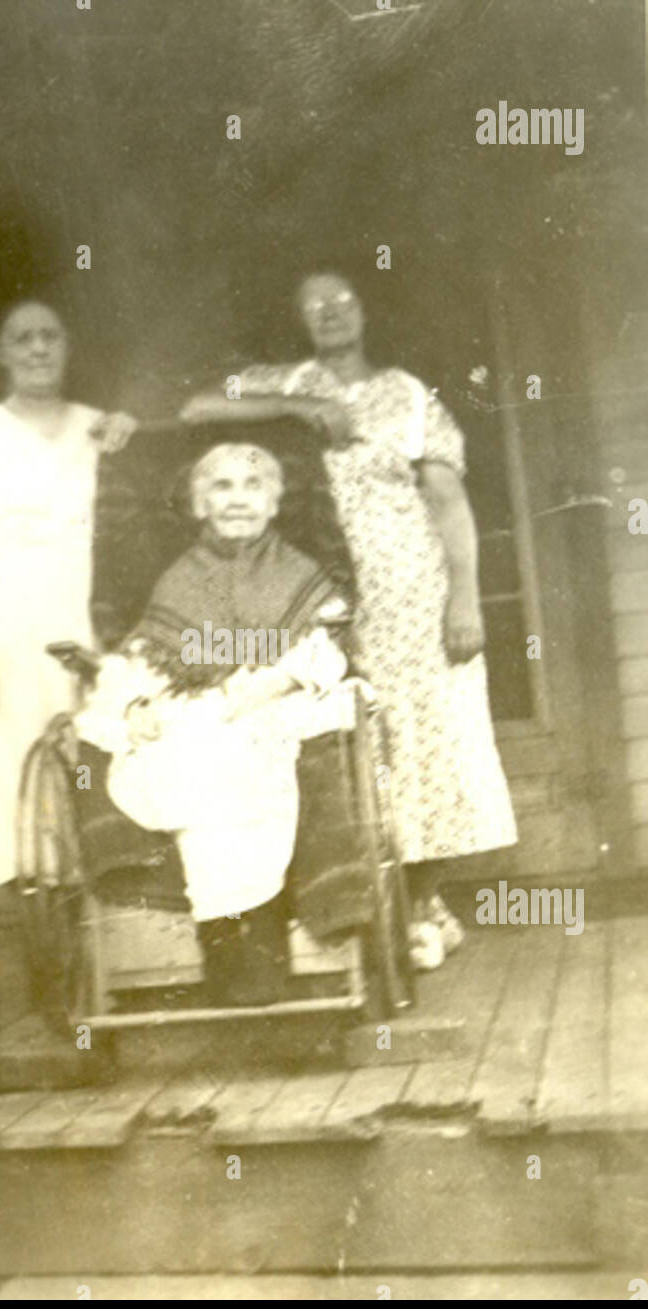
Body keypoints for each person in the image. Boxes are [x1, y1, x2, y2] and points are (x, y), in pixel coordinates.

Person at [180, 272, 517, 970]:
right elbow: (196, 406)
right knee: (349, 744)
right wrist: (295, 406)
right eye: (315, 305)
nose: (330, 313)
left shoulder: (409, 395)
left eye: (342, 301)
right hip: (318, 596)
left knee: (428, 746)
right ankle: (374, 914)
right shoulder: (284, 382)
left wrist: (464, 599)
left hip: (413, 596)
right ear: (300, 320)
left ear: (365, 310)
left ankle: (422, 906)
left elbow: (449, 504)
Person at [75, 442, 351, 1007]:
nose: (238, 500)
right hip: (199, 712)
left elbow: (328, 649)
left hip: (272, 707)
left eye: (253, 486)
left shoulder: (300, 574)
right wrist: (134, 706)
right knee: (195, 763)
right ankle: (229, 955)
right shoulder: (180, 580)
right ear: (200, 504)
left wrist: (278, 679)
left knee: (250, 765)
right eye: (222, 488)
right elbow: (143, 661)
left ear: (274, 503)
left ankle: (256, 957)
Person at [0, 299, 137, 890]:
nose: (39, 348)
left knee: (86, 759)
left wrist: (130, 432)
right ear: (1, 353)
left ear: (67, 347)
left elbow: (134, 514)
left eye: (50, 336)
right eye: (23, 339)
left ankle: (94, 913)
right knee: (14, 775)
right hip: (3, 626)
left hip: (81, 617)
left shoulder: (99, 429)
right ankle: (36, 917)